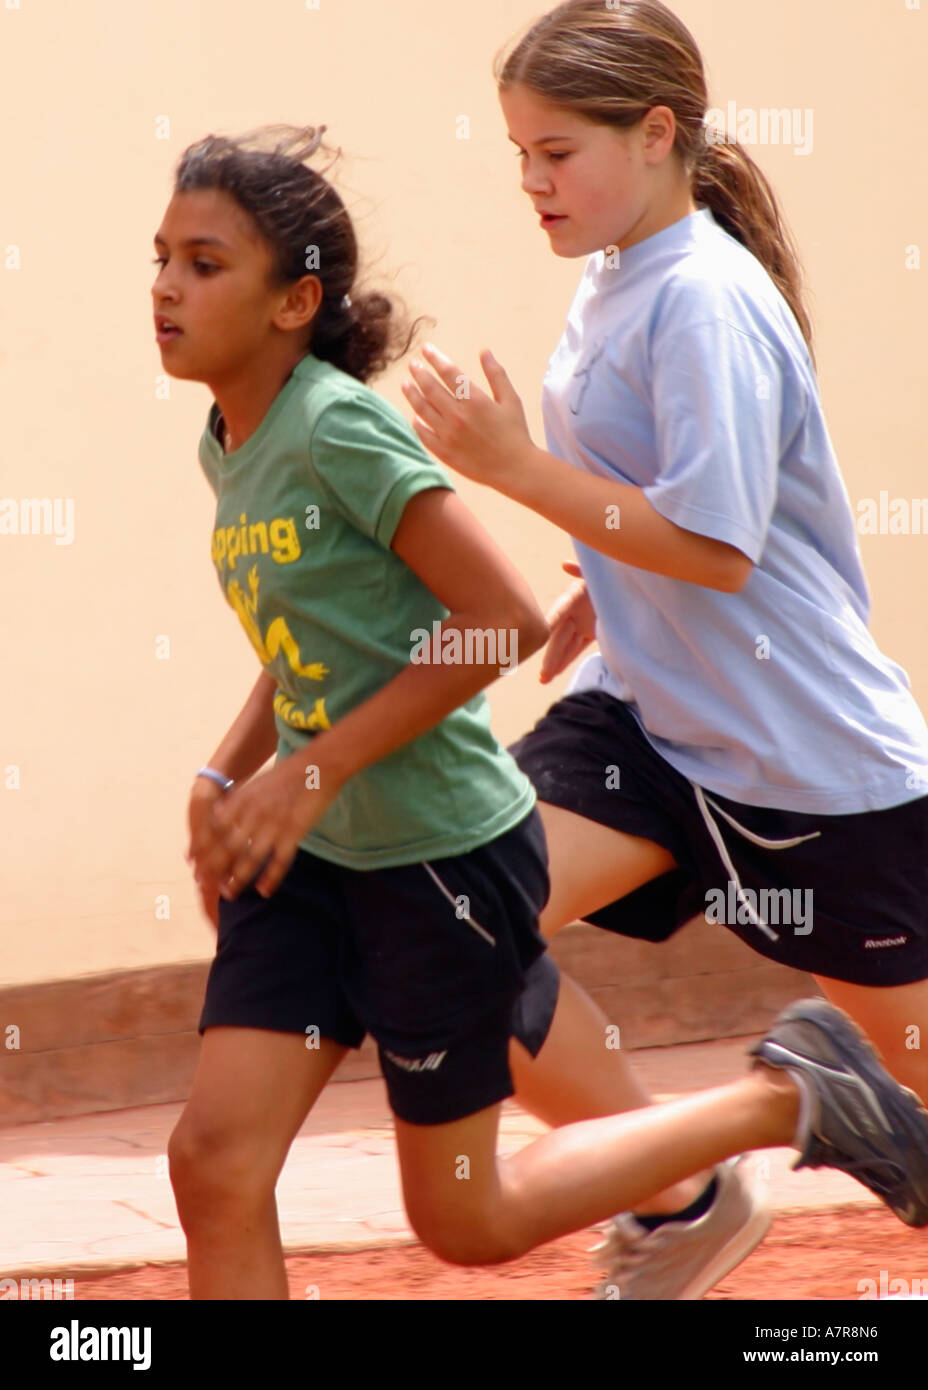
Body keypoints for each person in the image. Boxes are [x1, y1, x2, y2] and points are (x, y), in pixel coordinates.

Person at [151, 121, 928, 1302]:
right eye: (159, 257)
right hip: (316, 858)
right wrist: (228, 774)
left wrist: (307, 774)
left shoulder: (336, 428)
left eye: (203, 264)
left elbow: (499, 619)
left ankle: (784, 1101)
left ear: (292, 301)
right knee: (213, 1163)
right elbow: (307, 624)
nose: (164, 286)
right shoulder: (233, 442)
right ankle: (697, 1195)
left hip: (437, 853)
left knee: (466, 1218)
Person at [401, 0, 928, 1294]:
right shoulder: (618, 278)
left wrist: (516, 470)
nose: (531, 181)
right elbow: (663, 504)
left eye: (556, 151)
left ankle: (818, 1107)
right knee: (447, 906)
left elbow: (721, 542)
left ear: (655, 134)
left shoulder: (704, 297)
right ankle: (685, 1194)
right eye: (517, 150)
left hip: (804, 765)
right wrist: (603, 580)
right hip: (644, 723)